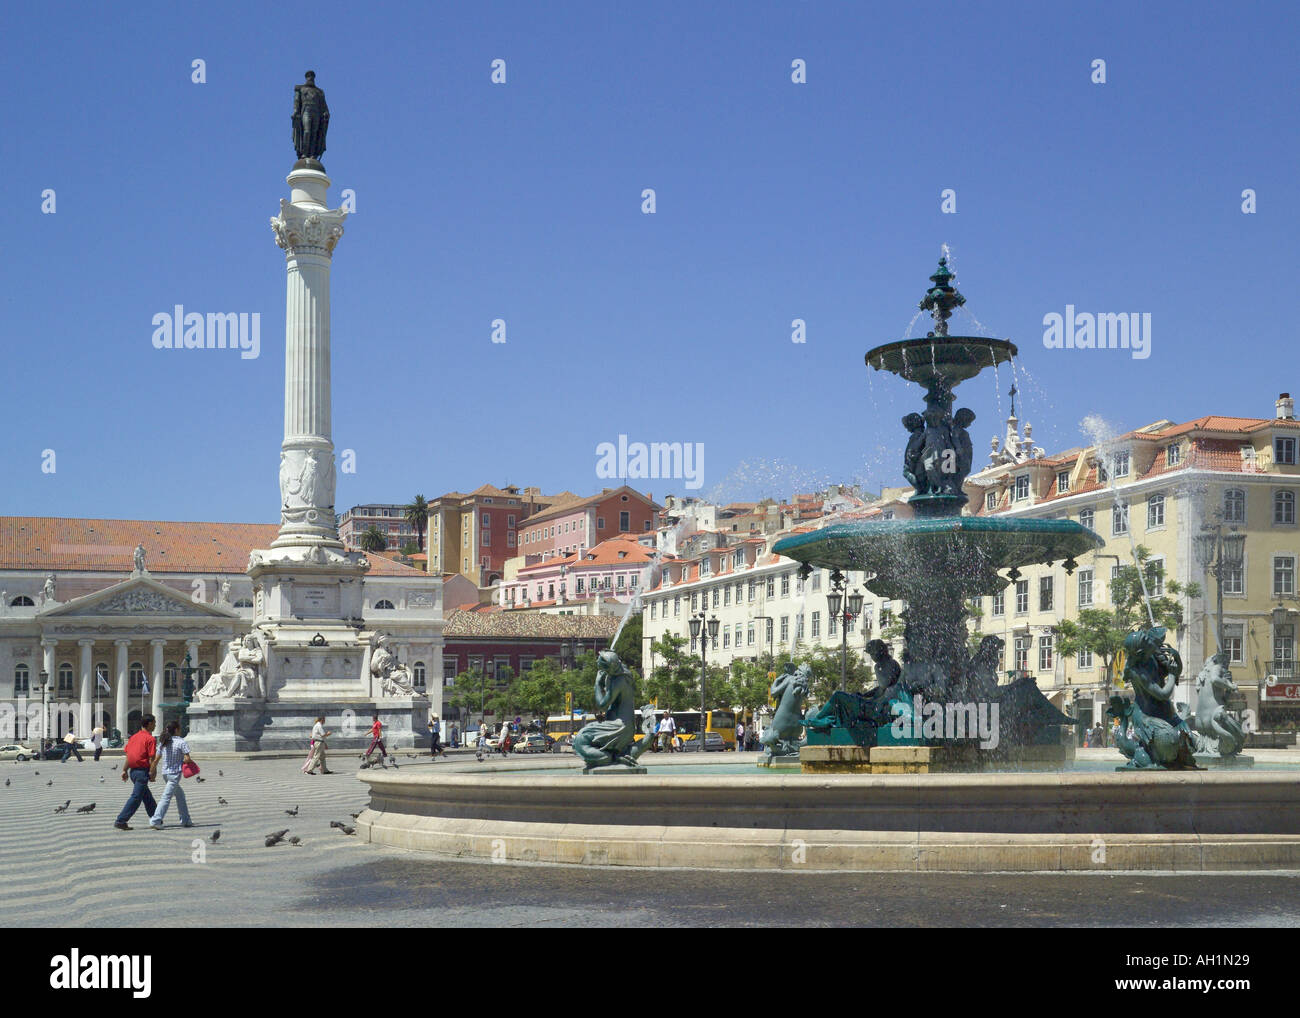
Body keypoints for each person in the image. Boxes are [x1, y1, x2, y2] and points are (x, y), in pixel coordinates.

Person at [115, 715, 158, 830]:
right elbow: (152, 758)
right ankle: (121, 820)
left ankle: (156, 819)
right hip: (142, 772)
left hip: (133, 772)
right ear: (149, 724)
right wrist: (152, 772)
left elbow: (130, 756)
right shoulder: (150, 739)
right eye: (154, 723)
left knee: (147, 797)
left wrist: (124, 770)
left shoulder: (133, 737)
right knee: (136, 797)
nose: (155, 725)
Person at [149, 721, 195, 829]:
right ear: (177, 730)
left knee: (180, 795)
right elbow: (187, 759)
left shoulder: (163, 743)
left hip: (165, 773)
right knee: (166, 797)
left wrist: (151, 772)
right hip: (175, 774)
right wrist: (184, 762)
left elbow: (155, 760)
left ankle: (186, 820)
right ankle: (156, 820)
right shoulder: (181, 742)